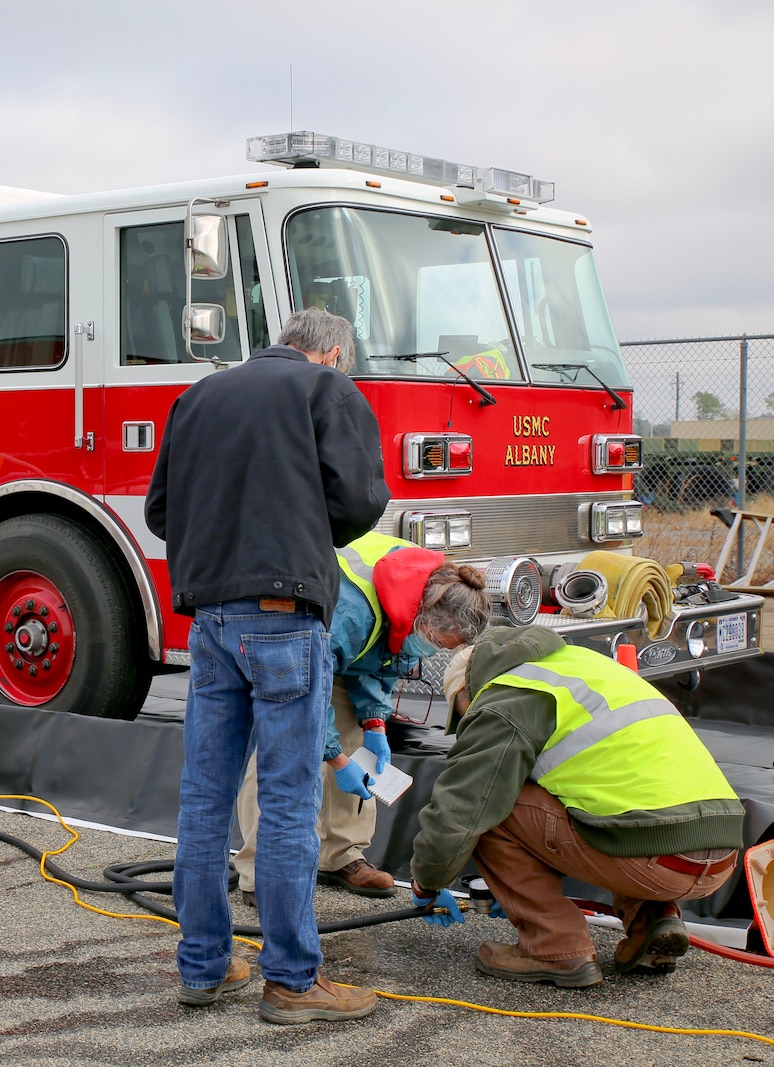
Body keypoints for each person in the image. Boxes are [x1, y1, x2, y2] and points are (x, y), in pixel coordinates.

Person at [145, 308, 390, 1023]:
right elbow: (361, 499)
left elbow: (163, 510)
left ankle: (204, 965)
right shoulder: (323, 389)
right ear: (333, 352)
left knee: (204, 797)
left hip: (210, 618)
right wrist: (301, 532)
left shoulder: (198, 396)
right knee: (287, 802)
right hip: (284, 615)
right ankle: (291, 981)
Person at [410, 626, 745, 987]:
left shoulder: (506, 698)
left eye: (460, 712)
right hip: (722, 853)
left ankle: (554, 948)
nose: (466, 721)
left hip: (655, 861)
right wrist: (510, 887)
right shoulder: (584, 667)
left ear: (466, 690)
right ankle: (652, 917)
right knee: (610, 798)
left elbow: (461, 809)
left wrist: (426, 883)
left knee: (490, 802)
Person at [234, 535, 490, 906]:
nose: (435, 652)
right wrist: (336, 759)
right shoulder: (352, 614)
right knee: (286, 749)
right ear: (428, 617)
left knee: (352, 727)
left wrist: (374, 724)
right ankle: (261, 873)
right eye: (438, 643)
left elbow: (382, 657)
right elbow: (300, 697)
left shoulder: (418, 601)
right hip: (287, 639)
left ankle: (340, 855)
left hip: (330, 645)